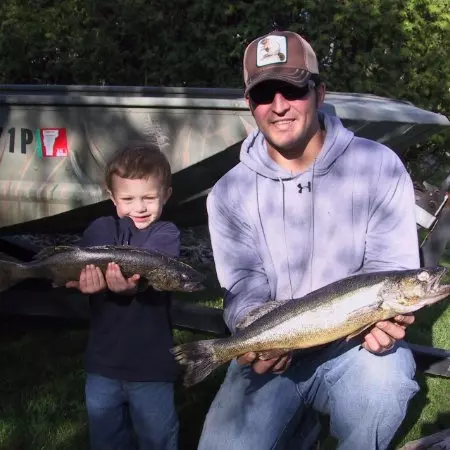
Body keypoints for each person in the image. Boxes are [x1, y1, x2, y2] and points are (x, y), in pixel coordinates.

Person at [198, 30, 420, 450]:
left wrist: (385, 321)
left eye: (293, 90)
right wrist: (253, 336)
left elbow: (392, 268)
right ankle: (301, 427)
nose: (279, 106)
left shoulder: (379, 165)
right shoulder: (228, 192)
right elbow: (242, 284)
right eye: (264, 95)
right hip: (274, 347)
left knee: (383, 388)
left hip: (354, 349)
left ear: (319, 92)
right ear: (250, 105)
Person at [66, 142, 179, 450]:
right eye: (128, 198)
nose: (139, 207)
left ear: (166, 195)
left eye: (149, 198)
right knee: (106, 441)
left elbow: (156, 266)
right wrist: (88, 281)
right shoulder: (101, 228)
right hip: (103, 368)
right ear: (112, 198)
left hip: (153, 368)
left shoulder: (166, 234)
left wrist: (133, 286)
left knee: (158, 440)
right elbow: (89, 261)